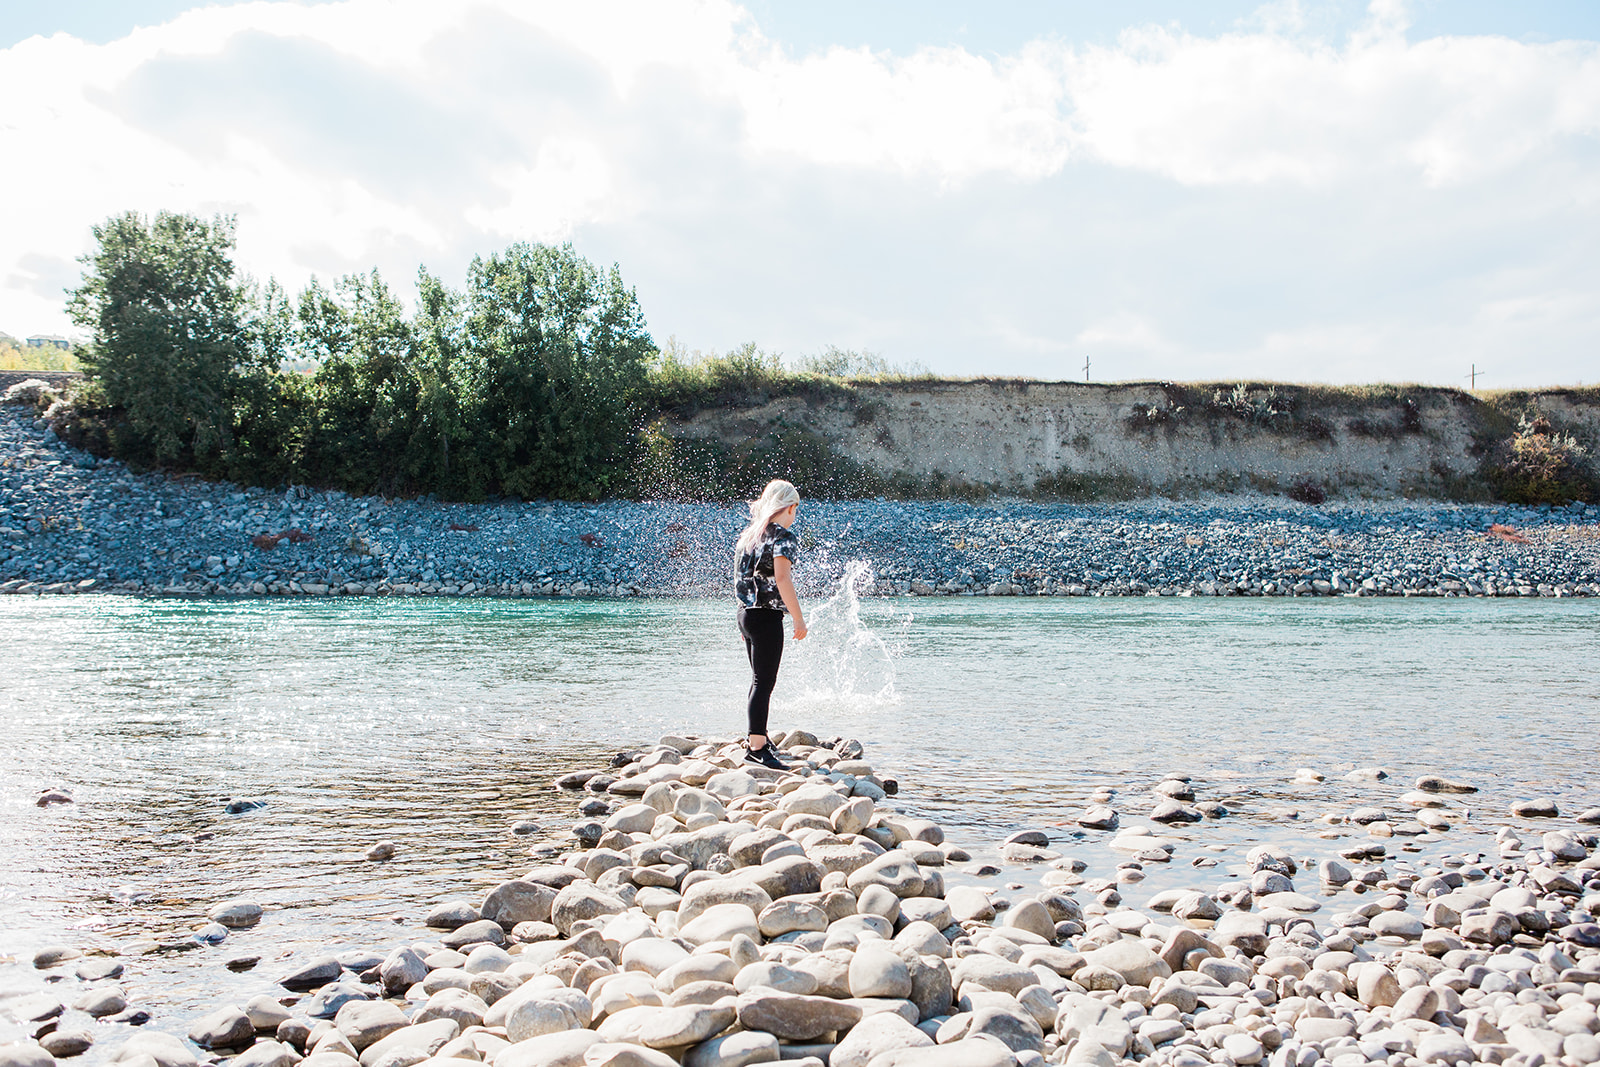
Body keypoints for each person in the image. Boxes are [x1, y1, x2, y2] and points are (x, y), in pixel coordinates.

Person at [733, 479, 807, 769]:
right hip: (766, 616)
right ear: (789, 507)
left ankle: (758, 736)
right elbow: (782, 578)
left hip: (746, 615)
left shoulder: (748, 536)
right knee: (764, 683)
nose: (795, 515)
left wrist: (743, 620)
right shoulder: (783, 536)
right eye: (795, 510)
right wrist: (798, 618)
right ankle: (756, 748)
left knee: (757, 682)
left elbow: (740, 579)